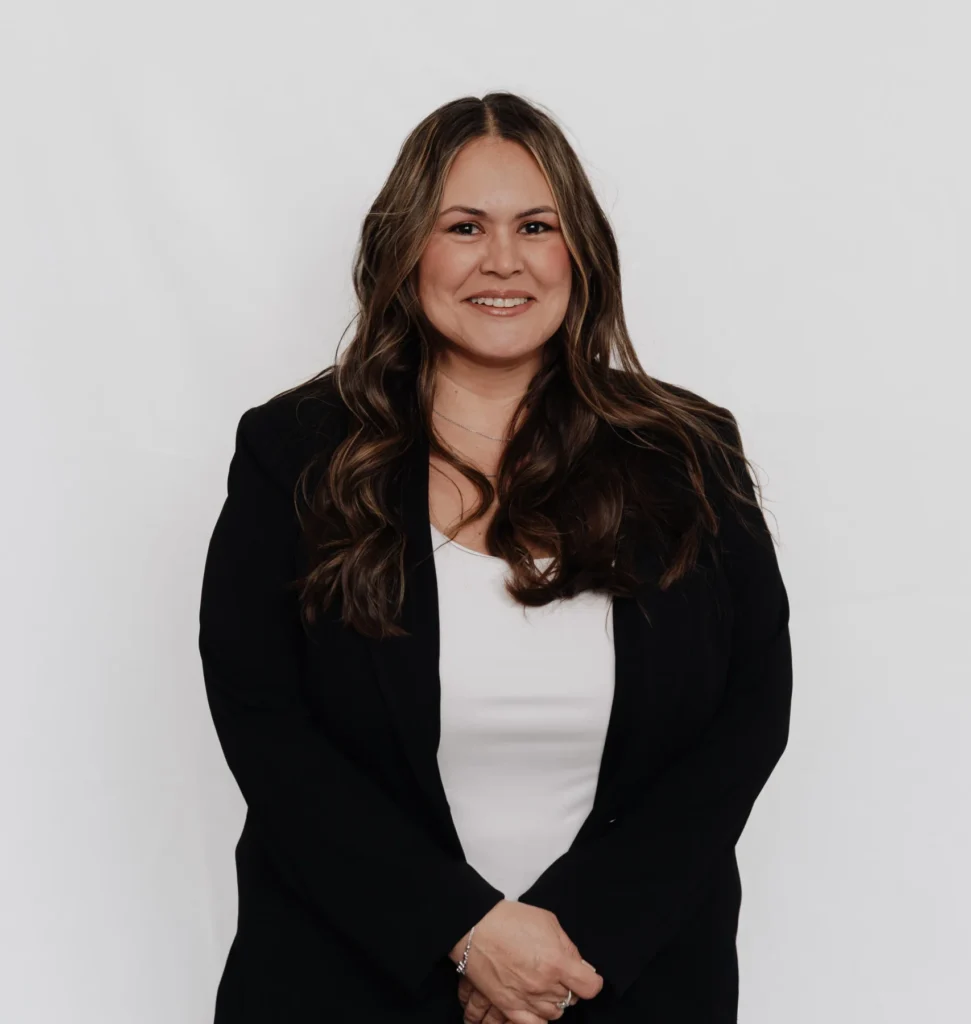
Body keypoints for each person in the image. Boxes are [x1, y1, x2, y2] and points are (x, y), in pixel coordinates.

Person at [198, 91, 792, 1024]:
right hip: (344, 983)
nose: (502, 260)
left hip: (623, 984)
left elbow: (748, 715)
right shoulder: (294, 451)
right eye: (463, 226)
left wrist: (562, 944)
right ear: (407, 252)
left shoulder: (689, 450)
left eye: (536, 226)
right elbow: (262, 717)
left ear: (578, 251)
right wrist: (463, 930)